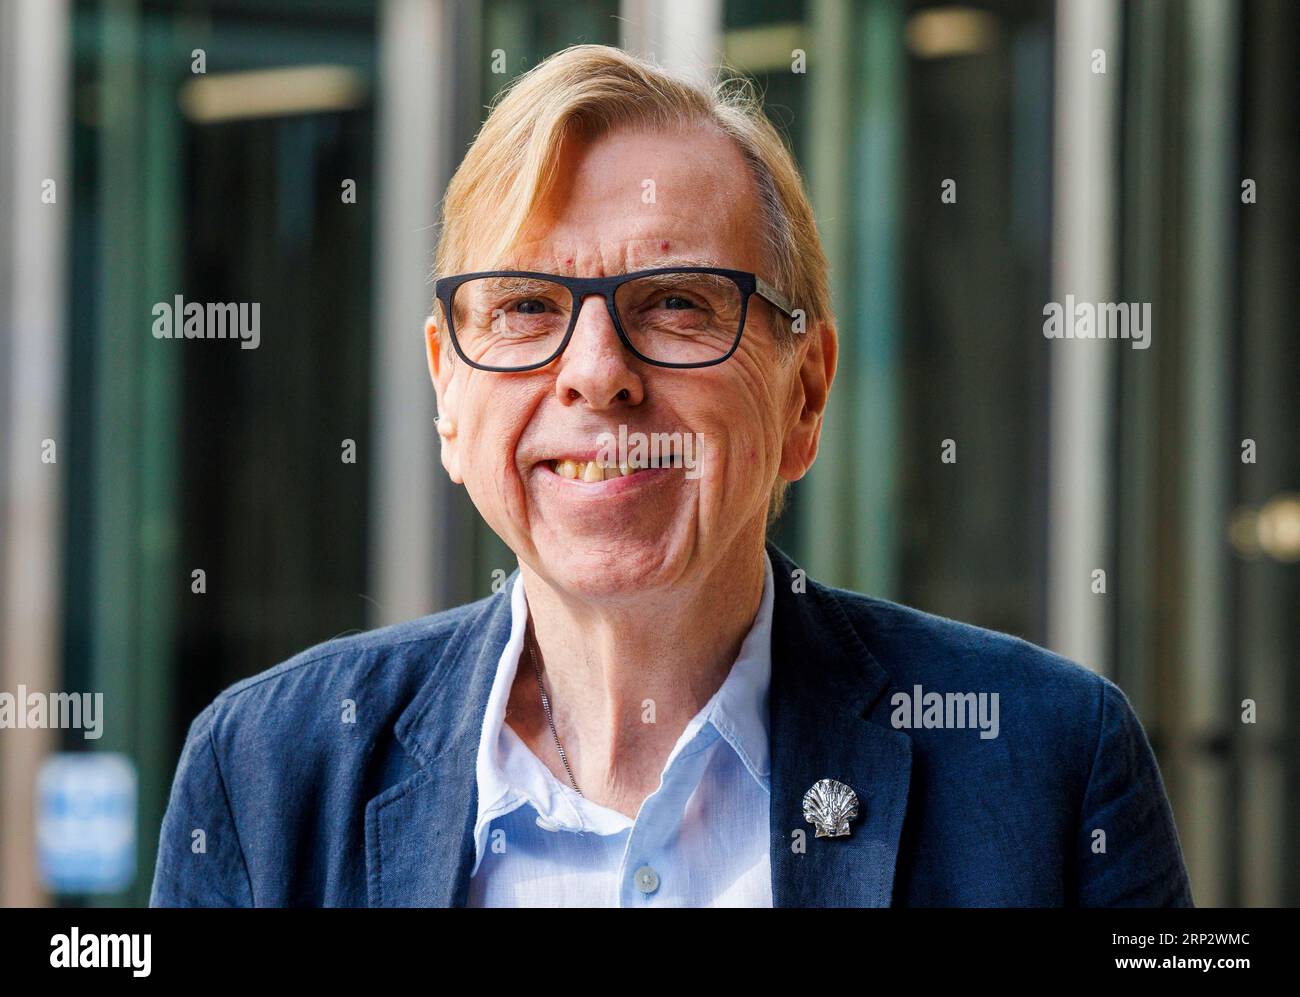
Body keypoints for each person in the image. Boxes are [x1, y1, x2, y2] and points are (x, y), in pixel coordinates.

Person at [150, 44, 1192, 907]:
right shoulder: (265, 776)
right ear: (446, 393)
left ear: (806, 391)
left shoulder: (1047, 765)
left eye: (677, 304)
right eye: (525, 308)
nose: (597, 374)